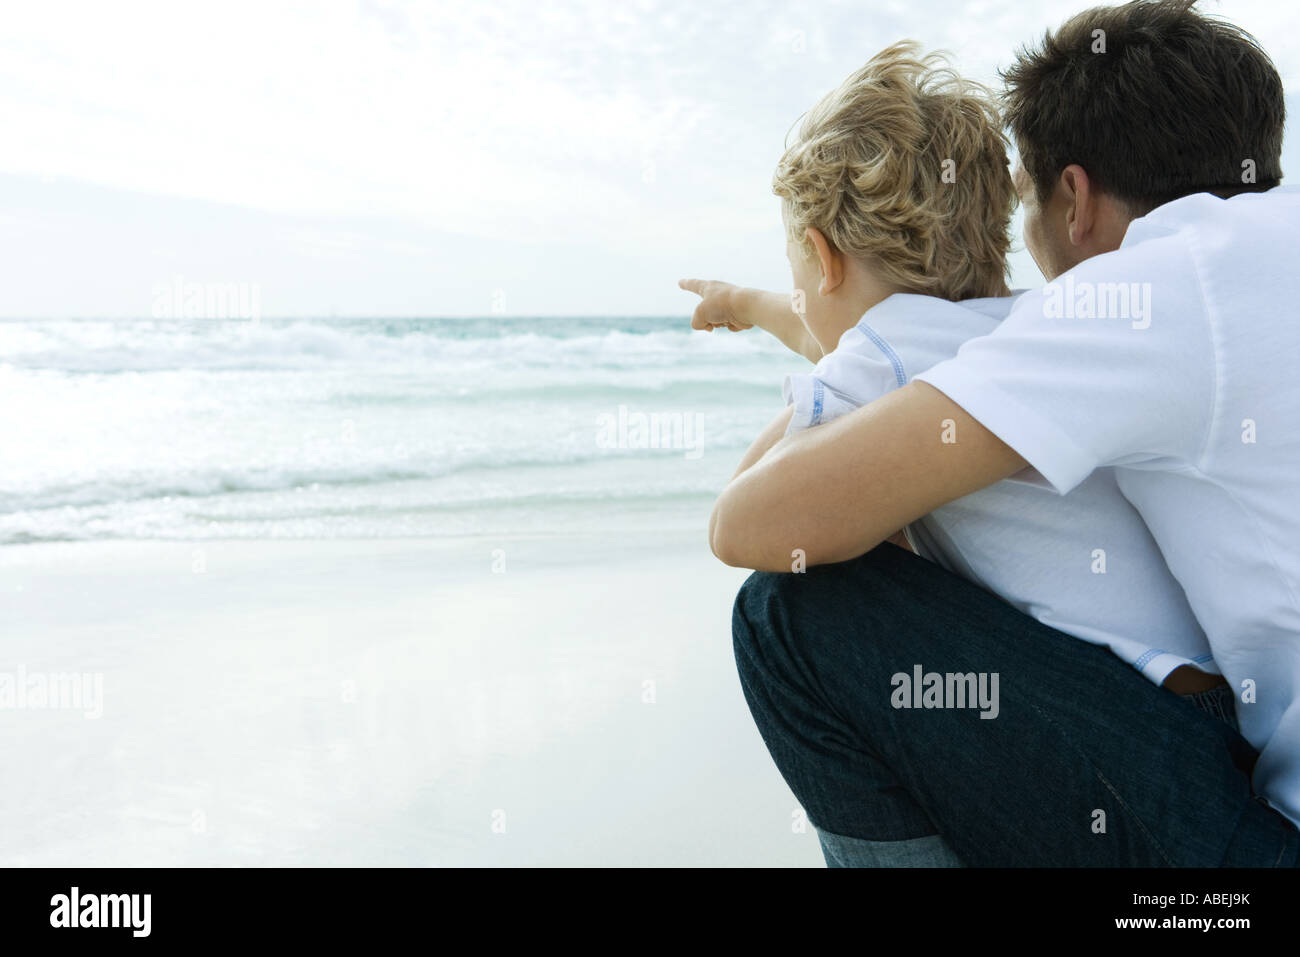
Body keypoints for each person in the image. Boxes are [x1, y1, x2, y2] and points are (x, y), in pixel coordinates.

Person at [694, 0, 1299, 866]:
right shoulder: (1071, 314)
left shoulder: (1137, 298)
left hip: (1199, 799)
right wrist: (768, 309)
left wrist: (811, 353)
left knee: (783, 614)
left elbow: (745, 523)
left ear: (1075, 198)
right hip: (1214, 724)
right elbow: (907, 355)